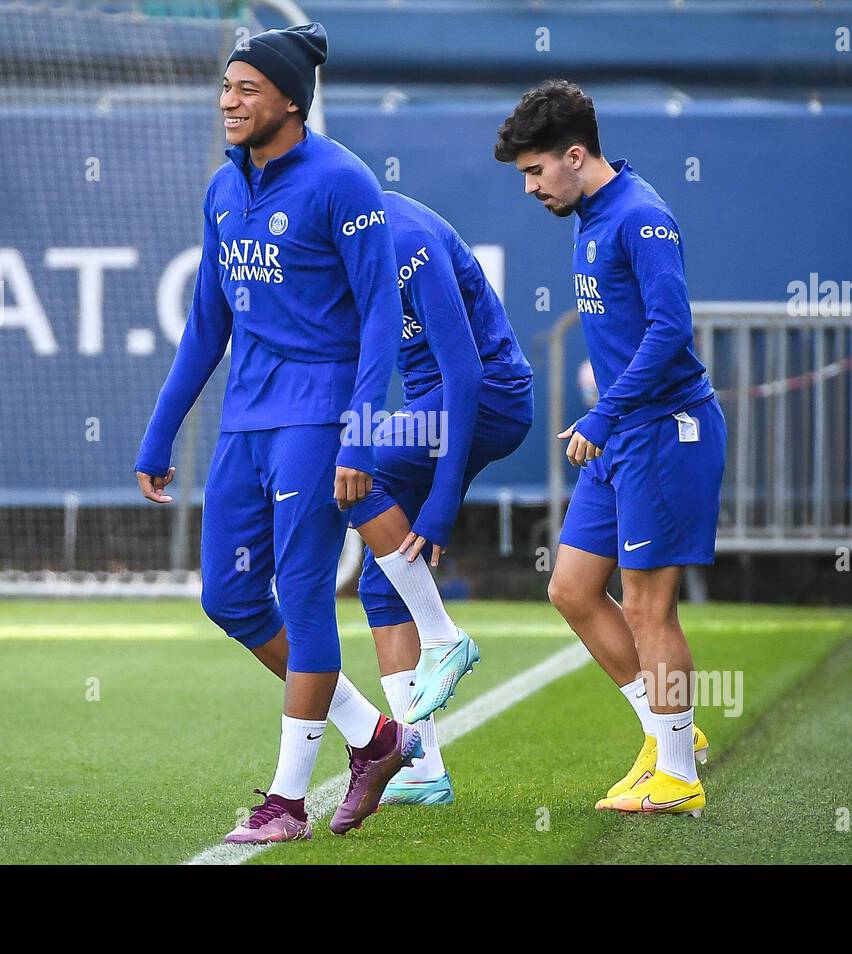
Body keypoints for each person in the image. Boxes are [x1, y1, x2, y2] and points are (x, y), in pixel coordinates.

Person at [135, 23, 417, 844]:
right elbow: (204, 326)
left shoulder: (344, 182)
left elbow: (380, 323)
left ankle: (288, 803)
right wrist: (159, 436)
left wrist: (359, 440)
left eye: (247, 88)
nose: (228, 100)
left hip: (319, 421)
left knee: (301, 595)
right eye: (225, 86)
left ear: (291, 101)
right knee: (227, 598)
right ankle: (374, 737)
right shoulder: (223, 190)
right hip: (245, 423)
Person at [495, 79, 725, 817]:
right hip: (622, 431)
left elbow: (671, 330)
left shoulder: (641, 217)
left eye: (535, 171)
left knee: (650, 608)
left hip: (664, 432)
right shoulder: (586, 212)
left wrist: (605, 413)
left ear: (574, 154)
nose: (530, 187)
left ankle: (681, 774)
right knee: (570, 588)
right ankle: (665, 740)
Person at [346, 190, 534, 805]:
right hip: (432, 409)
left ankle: (444, 637)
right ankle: (420, 766)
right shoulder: (336, 239)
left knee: (347, 461)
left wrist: (443, 502)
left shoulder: (403, 239)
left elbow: (466, 376)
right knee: (382, 579)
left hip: (489, 402)